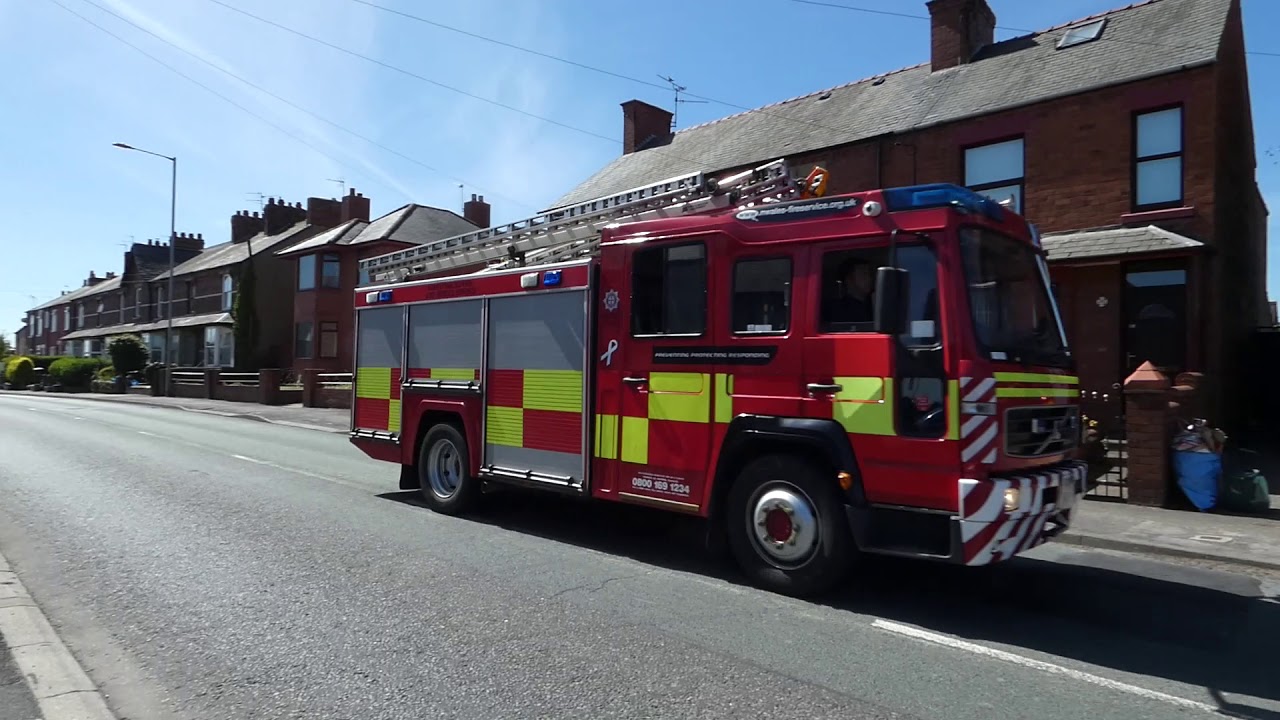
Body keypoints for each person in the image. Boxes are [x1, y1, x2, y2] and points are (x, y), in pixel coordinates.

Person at [829, 256, 875, 325]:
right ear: (849, 279)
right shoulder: (838, 310)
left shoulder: (875, 303)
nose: (869, 278)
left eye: (870, 274)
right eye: (864, 274)